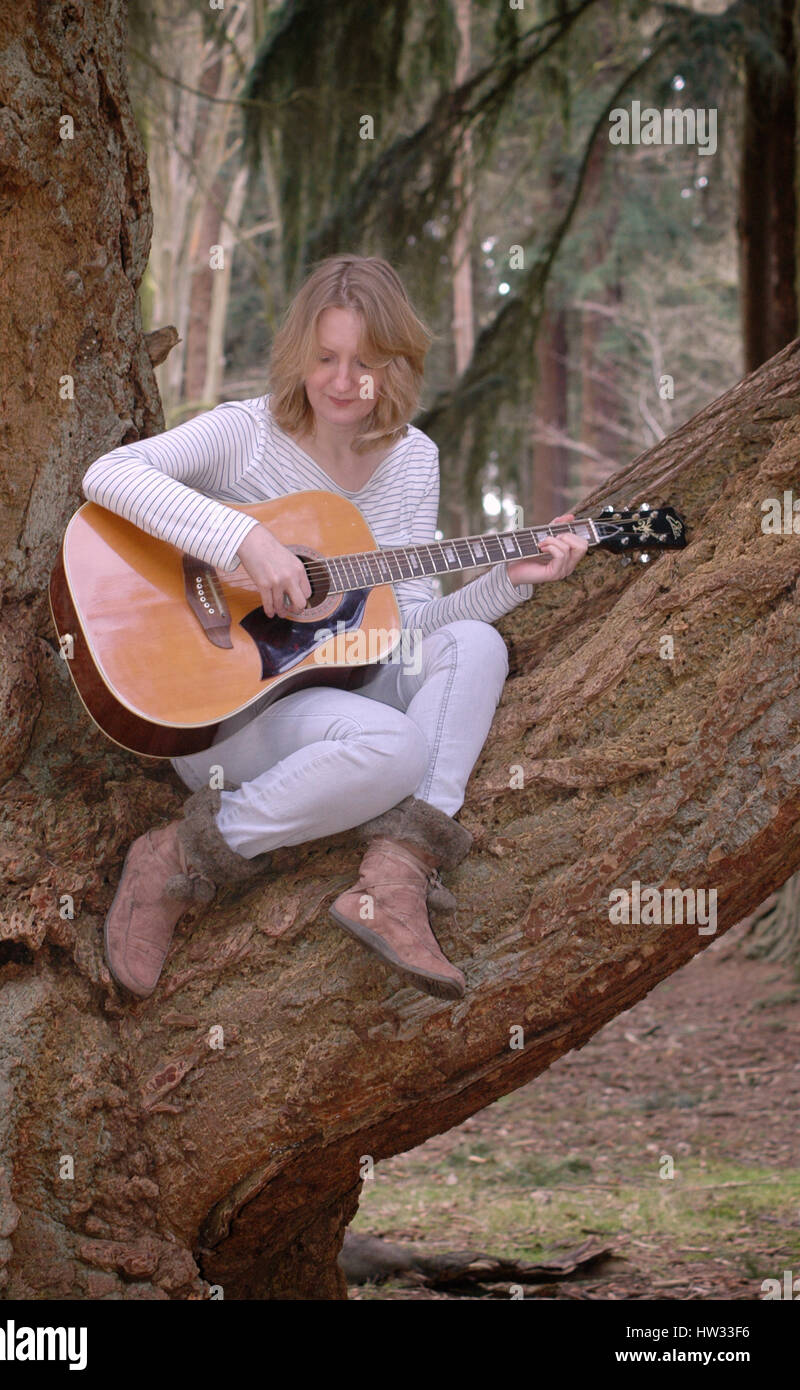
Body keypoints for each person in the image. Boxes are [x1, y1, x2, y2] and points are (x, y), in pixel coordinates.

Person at [82, 254, 587, 1002]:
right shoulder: (246, 435)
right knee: (396, 747)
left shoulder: (413, 460)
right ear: (300, 356)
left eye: (364, 362)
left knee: (476, 643)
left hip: (342, 691)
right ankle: (179, 857)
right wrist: (244, 543)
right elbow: (109, 477)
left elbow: (407, 624)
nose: (343, 381)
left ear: (397, 366)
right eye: (325, 358)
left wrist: (503, 585)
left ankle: (398, 874)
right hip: (227, 709)